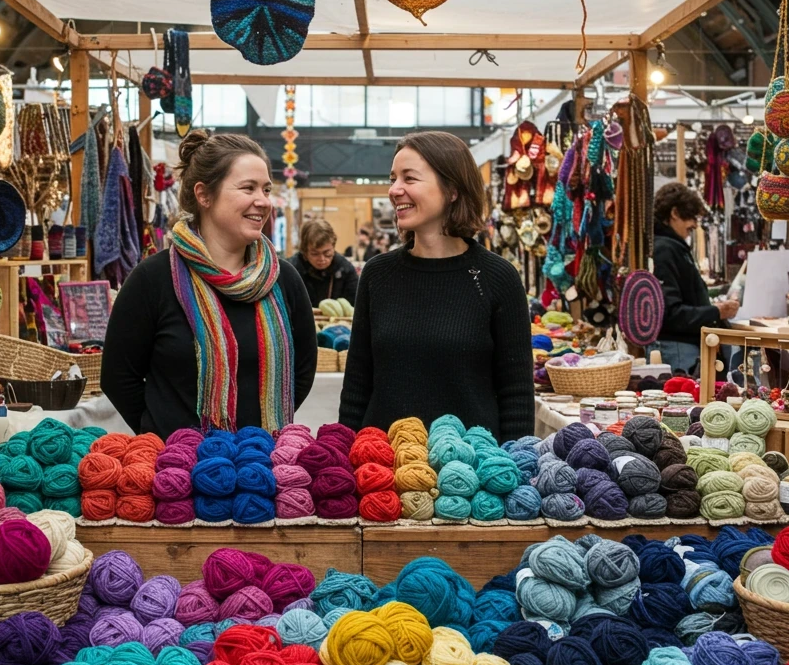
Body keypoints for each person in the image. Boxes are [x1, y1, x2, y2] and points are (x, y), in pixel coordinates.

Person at [102, 130, 317, 438]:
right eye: (248, 188)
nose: (263, 201)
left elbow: (303, 370)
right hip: (177, 469)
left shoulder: (283, 280)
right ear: (204, 195)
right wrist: (164, 433)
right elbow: (118, 376)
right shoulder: (154, 279)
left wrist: (258, 435)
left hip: (262, 465)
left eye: (266, 189)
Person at [339, 130, 534, 440]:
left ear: (452, 189)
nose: (394, 190)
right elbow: (356, 388)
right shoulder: (378, 275)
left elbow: (517, 394)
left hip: (471, 472)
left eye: (409, 178)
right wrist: (346, 458)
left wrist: (513, 468)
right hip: (384, 472)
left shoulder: (497, 278)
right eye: (393, 179)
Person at [651, 181, 739, 375]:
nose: (693, 226)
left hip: (681, 348)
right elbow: (670, 314)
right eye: (691, 220)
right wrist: (715, 312)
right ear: (674, 213)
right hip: (678, 350)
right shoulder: (665, 250)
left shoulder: (672, 247)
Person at [288, 219, 359, 309]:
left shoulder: (345, 269)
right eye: (315, 254)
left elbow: (356, 306)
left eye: (327, 253)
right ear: (305, 252)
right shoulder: (291, 270)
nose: (322, 259)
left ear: (333, 247)